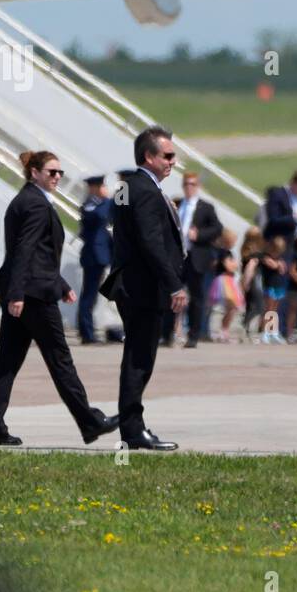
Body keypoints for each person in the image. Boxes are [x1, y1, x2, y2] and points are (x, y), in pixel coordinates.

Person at [0, 151, 120, 446]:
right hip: (32, 296)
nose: (57, 177)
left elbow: (40, 254)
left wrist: (61, 282)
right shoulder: (35, 204)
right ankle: (89, 421)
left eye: (60, 173)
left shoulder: (31, 200)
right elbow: (23, 252)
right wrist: (18, 294)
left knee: (7, 362)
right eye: (51, 172)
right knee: (60, 359)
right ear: (34, 173)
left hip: (29, 289)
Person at [99, 126, 186, 451]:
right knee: (139, 358)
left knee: (138, 357)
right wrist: (174, 284)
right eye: (167, 156)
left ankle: (132, 426)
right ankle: (133, 429)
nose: (173, 162)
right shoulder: (145, 190)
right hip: (142, 288)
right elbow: (152, 244)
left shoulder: (131, 187)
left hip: (135, 285)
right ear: (149, 157)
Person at [162, 171, 222, 348]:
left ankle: (193, 335)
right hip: (177, 258)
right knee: (172, 295)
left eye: (193, 184)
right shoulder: (177, 203)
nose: (189, 188)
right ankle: (167, 334)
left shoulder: (206, 207)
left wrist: (200, 234)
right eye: (186, 184)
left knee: (196, 297)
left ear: (198, 186)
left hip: (196, 257)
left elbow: (217, 229)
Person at [77, 174, 116, 344]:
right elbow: (100, 215)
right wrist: (106, 199)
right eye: (98, 186)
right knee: (89, 295)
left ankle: (91, 330)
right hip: (93, 256)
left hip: (101, 255)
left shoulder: (99, 204)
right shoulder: (90, 205)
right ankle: (87, 333)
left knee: (94, 295)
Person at [208, 250, 244, 343]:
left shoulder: (232, 277)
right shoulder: (221, 278)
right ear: (223, 262)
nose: (234, 262)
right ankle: (222, 331)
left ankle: (225, 330)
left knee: (231, 309)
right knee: (227, 308)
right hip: (224, 287)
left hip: (230, 284)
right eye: (230, 260)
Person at [259, 236, 288, 344]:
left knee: (275, 311)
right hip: (269, 286)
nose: (277, 254)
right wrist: (278, 264)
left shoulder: (279, 258)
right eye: (276, 251)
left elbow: (283, 269)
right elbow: (274, 265)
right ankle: (265, 332)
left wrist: (279, 264)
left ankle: (274, 331)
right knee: (269, 310)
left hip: (278, 286)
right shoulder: (265, 257)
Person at [238, 227, 266, 340]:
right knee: (259, 307)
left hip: (248, 283)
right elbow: (250, 269)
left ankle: (246, 328)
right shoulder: (255, 255)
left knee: (250, 306)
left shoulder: (245, 251)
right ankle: (245, 323)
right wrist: (246, 282)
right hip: (254, 282)